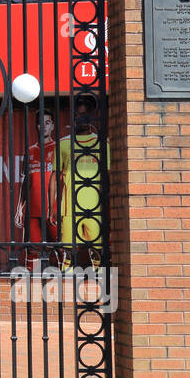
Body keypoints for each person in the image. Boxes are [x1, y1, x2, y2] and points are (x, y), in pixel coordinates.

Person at [56, 95, 103, 269]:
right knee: (68, 250)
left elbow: (108, 177)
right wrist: (53, 206)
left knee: (98, 248)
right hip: (70, 207)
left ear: (91, 117)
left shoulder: (101, 143)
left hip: (95, 207)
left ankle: (100, 278)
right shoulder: (64, 144)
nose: (81, 120)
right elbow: (55, 178)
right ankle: (66, 283)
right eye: (78, 116)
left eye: (85, 116)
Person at [14, 107, 61, 265]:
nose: (44, 126)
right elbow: (25, 180)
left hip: (54, 209)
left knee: (60, 250)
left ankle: (63, 286)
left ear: (52, 125)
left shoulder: (59, 148)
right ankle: (31, 288)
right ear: (37, 126)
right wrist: (20, 207)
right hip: (33, 210)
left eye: (48, 123)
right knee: (32, 252)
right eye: (41, 123)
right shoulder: (30, 151)